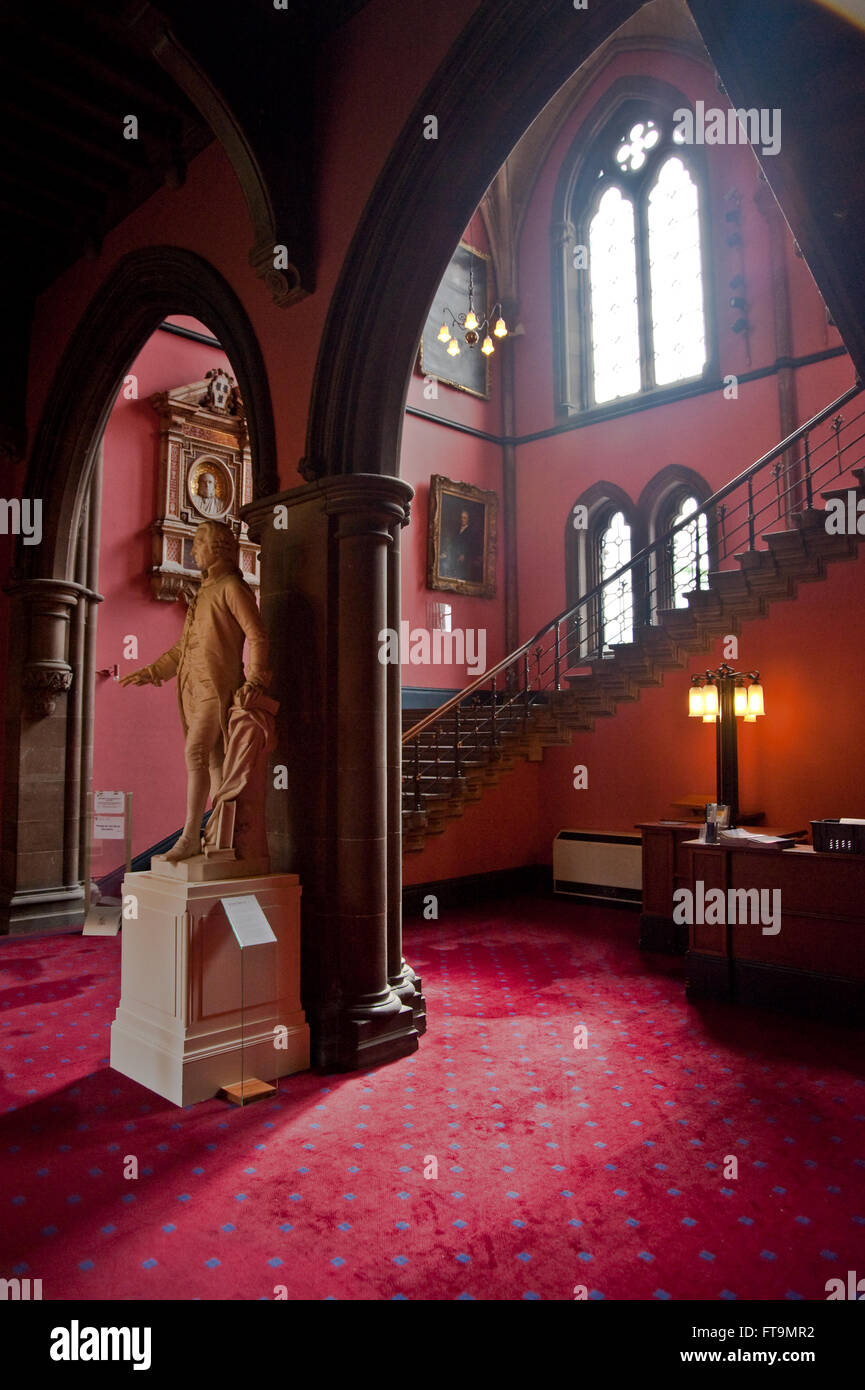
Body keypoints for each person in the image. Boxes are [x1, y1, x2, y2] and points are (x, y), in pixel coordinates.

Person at [121, 520, 271, 863]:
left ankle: (190, 836)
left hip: (216, 689)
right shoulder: (204, 592)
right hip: (191, 688)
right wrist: (151, 672)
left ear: (217, 548)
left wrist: (256, 680)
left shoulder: (232, 587)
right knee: (216, 761)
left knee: (196, 753)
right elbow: (182, 649)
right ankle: (223, 836)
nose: (193, 551)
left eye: (198, 544)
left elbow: (258, 635)